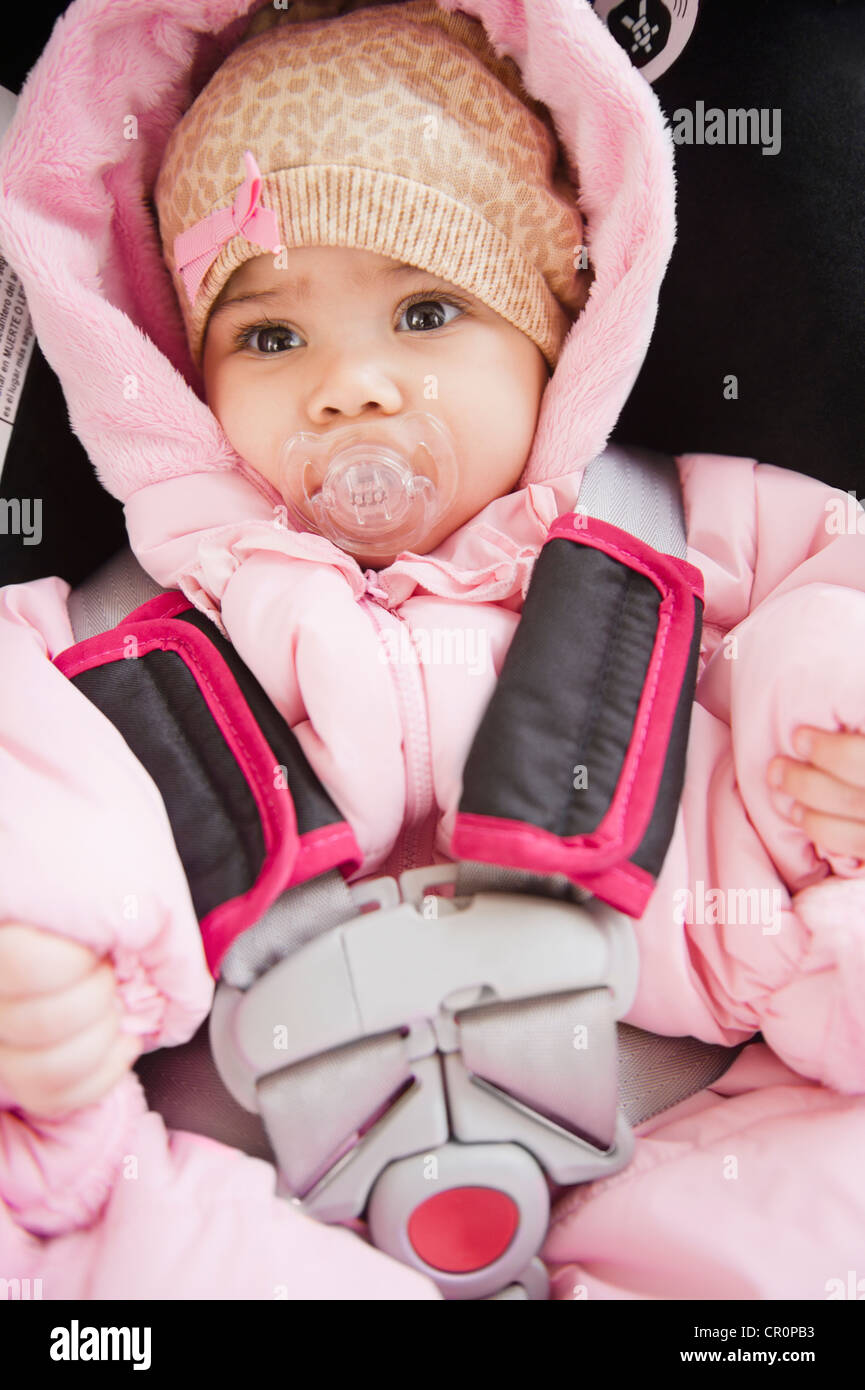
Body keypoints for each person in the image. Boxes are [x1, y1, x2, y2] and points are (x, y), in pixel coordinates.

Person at [1, 0, 864, 1301]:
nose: (350, 385)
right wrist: (47, 942)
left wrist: (831, 704)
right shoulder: (119, 638)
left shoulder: (689, 537)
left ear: (553, 334)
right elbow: (24, 764)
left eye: (424, 313)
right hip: (258, 1184)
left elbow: (838, 581)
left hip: (701, 1107)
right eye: (273, 336)